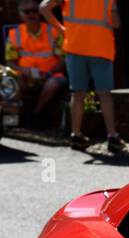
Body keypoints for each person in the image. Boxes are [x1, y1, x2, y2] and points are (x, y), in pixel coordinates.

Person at [39, 0, 122, 151]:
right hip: (101, 49)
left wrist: (63, 30)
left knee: (78, 93)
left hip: (75, 47)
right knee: (104, 94)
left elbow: (44, 8)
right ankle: (112, 136)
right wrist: (113, 9)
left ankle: (76, 134)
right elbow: (116, 23)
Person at [5, 0, 65, 126]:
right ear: (20, 15)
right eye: (27, 12)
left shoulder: (53, 31)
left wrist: (49, 73)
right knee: (12, 78)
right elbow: (10, 62)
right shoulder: (14, 34)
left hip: (50, 75)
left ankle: (35, 114)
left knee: (55, 82)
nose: (31, 14)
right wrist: (23, 71)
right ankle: (15, 118)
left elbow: (62, 60)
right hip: (26, 76)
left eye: (35, 10)